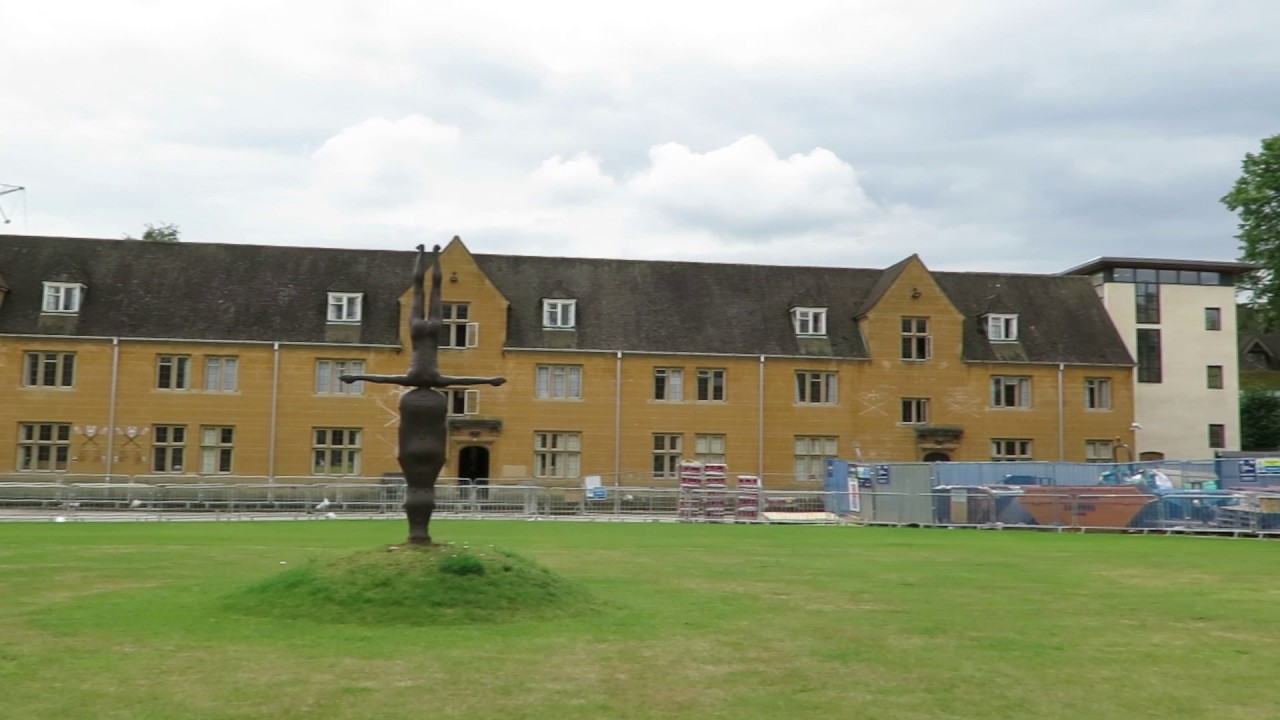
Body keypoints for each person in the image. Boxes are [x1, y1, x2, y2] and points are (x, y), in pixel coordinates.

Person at [340, 241, 505, 545]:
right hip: (429, 422)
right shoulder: (432, 376)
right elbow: (462, 378)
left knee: (420, 289)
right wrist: (490, 380)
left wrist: (356, 376)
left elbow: (384, 377)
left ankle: (423, 254)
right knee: (434, 290)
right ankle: (430, 255)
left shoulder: (416, 373)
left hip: (417, 413)